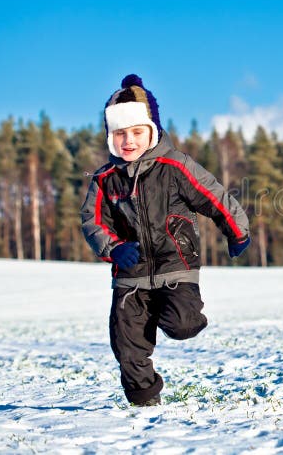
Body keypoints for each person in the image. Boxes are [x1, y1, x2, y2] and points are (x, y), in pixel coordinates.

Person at [81, 74, 250, 406]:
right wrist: (114, 248)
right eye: (119, 134)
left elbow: (213, 196)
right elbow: (92, 221)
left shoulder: (174, 167)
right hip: (131, 275)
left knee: (183, 324)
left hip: (176, 266)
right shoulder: (105, 180)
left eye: (136, 132)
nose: (128, 141)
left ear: (152, 131)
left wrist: (237, 229)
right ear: (109, 137)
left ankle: (169, 311)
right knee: (126, 342)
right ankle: (143, 399)